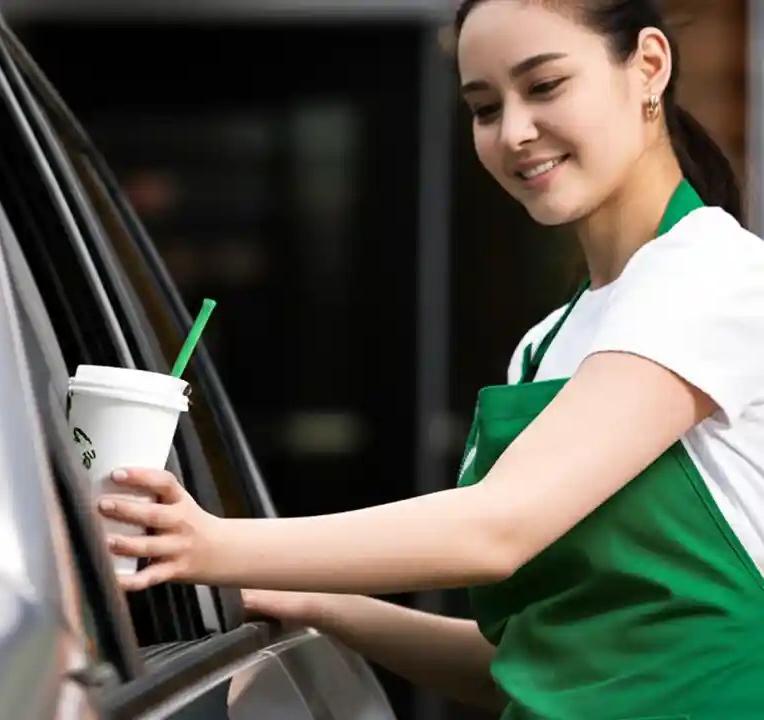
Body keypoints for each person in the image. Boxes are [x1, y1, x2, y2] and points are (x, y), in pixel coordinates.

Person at [97, 1, 764, 717]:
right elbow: (523, 666)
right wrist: (316, 602)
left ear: (649, 68)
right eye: (483, 107)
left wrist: (212, 545)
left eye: (544, 87)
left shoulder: (713, 277)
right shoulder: (548, 343)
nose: (514, 132)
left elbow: (498, 527)